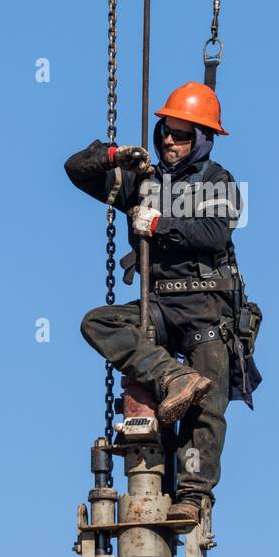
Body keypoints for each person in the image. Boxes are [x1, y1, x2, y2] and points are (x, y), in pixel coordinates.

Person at [65, 81, 257, 523]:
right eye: (167, 132)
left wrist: (161, 222)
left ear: (201, 140)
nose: (170, 141)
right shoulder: (143, 181)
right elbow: (76, 169)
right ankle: (172, 376)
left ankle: (192, 493)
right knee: (99, 322)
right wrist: (113, 158)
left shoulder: (218, 182)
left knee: (207, 404)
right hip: (160, 305)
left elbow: (215, 233)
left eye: (182, 135)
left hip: (206, 307)